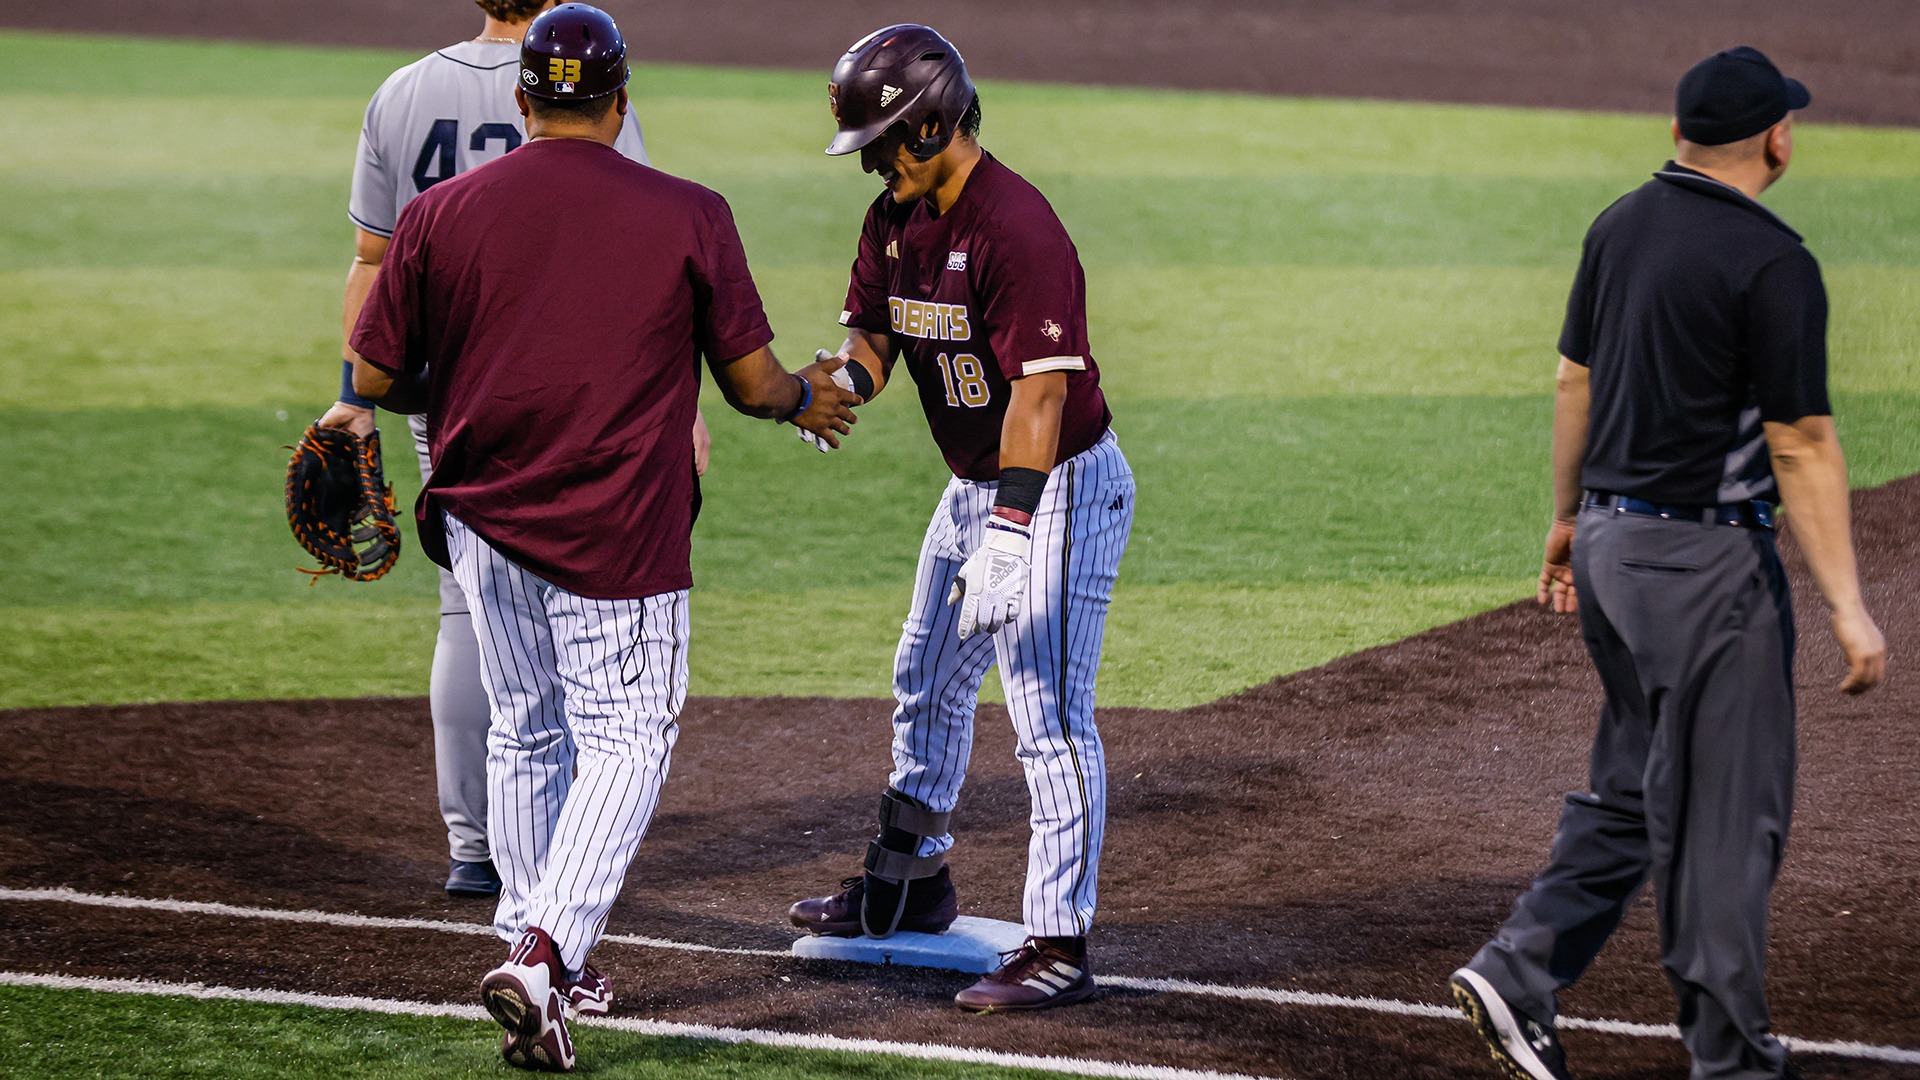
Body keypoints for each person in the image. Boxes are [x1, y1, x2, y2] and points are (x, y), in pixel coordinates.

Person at [348, 5, 859, 1070]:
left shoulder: (442, 215)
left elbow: (379, 373)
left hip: (482, 512)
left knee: (528, 729)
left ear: (523, 99)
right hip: (619, 525)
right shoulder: (688, 211)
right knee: (629, 735)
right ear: (623, 102)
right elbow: (752, 380)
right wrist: (809, 397)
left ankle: (545, 968)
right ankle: (542, 956)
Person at [1447, 46, 1886, 1080]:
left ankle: (1520, 969)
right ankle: (1731, 1060)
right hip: (1704, 570)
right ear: (1776, 137)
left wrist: (1567, 520)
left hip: (1608, 550)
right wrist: (1849, 607)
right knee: (1726, 819)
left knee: (1639, 789)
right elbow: (1801, 442)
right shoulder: (1775, 261)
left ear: (1679, 135)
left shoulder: (1618, 225)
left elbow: (1573, 382)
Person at [314, 0, 708, 901]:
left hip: (437, 381)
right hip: (582, 391)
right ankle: (561, 860)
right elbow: (642, 253)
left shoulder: (403, 90)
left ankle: (475, 843)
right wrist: (679, 408)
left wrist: (353, 398)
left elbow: (372, 260)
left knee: (471, 612)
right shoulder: (599, 90)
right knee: (589, 626)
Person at [786, 25, 1135, 1014]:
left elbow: (1040, 398)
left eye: (885, 142)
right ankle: (913, 877)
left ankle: (1059, 941)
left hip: (1058, 481)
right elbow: (875, 332)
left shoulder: (1016, 227)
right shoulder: (895, 220)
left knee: (1048, 715)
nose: (874, 165)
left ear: (934, 122)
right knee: (927, 669)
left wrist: (1013, 534)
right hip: (978, 483)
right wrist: (839, 381)